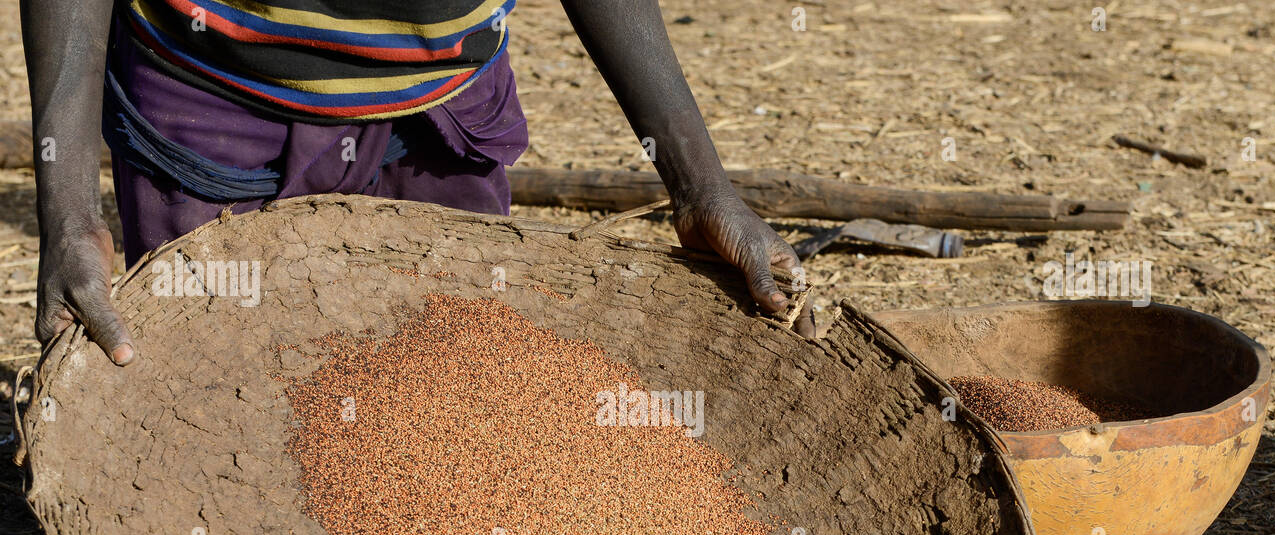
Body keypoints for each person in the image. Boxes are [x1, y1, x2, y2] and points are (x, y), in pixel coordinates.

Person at [23, 0, 812, 368]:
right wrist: (66, 214)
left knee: (448, 391)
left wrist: (701, 186)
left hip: (439, 112)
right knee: (221, 405)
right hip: (218, 109)